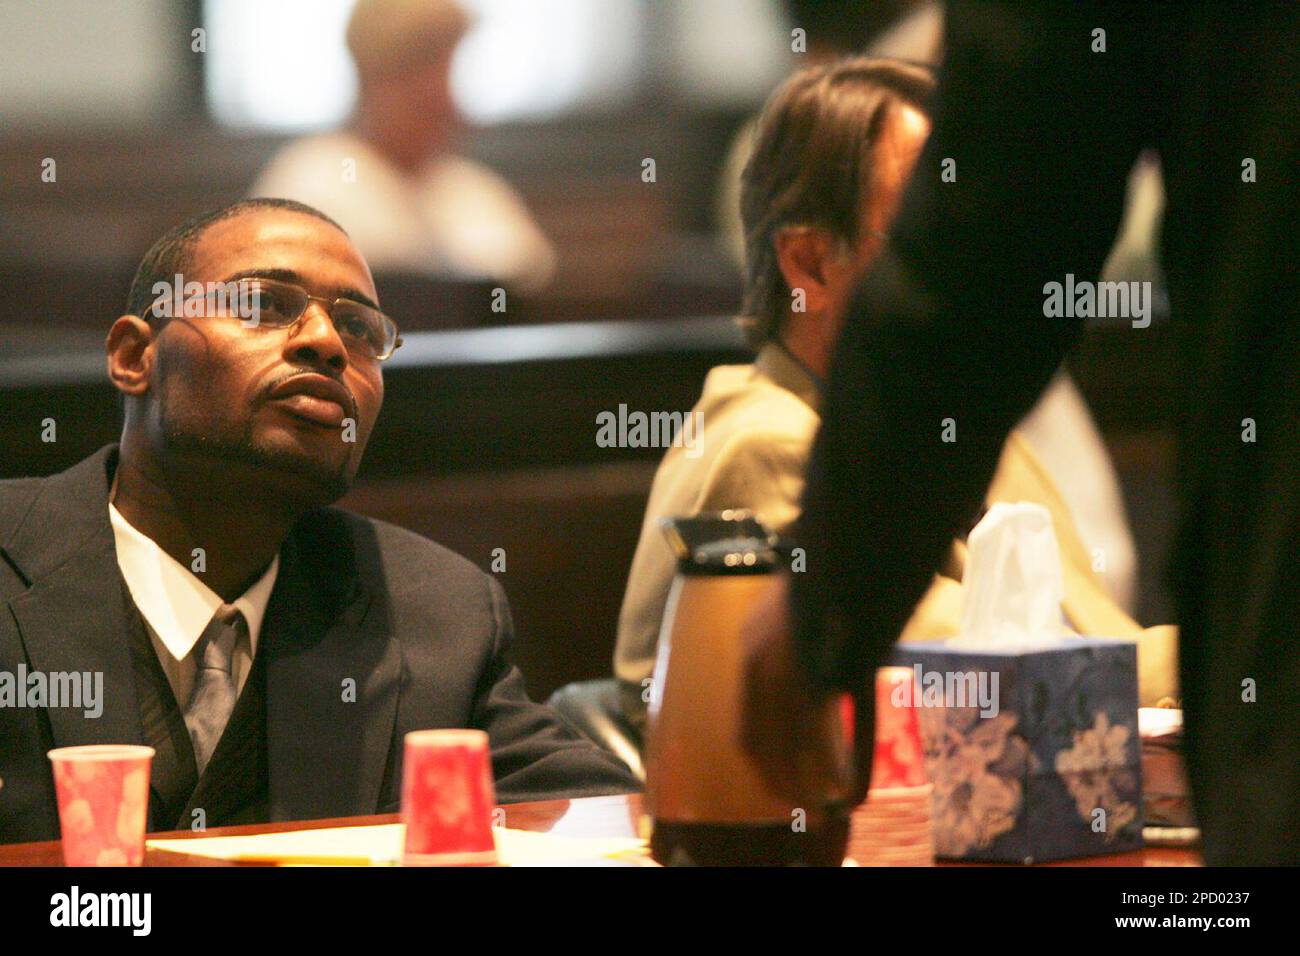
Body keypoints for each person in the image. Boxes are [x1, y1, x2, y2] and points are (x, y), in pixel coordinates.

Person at [740, 3, 1299, 865]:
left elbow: (997, 223)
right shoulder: (758, 437)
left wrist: (825, 610)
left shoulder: (1010, 448)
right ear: (809, 261)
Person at [0, 198, 637, 845]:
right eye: (264, 306)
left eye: (360, 328)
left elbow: (607, 823)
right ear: (135, 357)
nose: (327, 344)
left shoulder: (433, 613)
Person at [614, 58, 1176, 736]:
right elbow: (982, 666)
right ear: (810, 264)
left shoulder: (973, 432)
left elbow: (1098, 642)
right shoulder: (766, 438)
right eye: (931, 243)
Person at [250, 0, 556, 293]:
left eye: (445, 69)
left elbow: (525, 275)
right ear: (372, 76)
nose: (445, 100)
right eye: (421, 70)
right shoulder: (310, 181)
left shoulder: (470, 188)